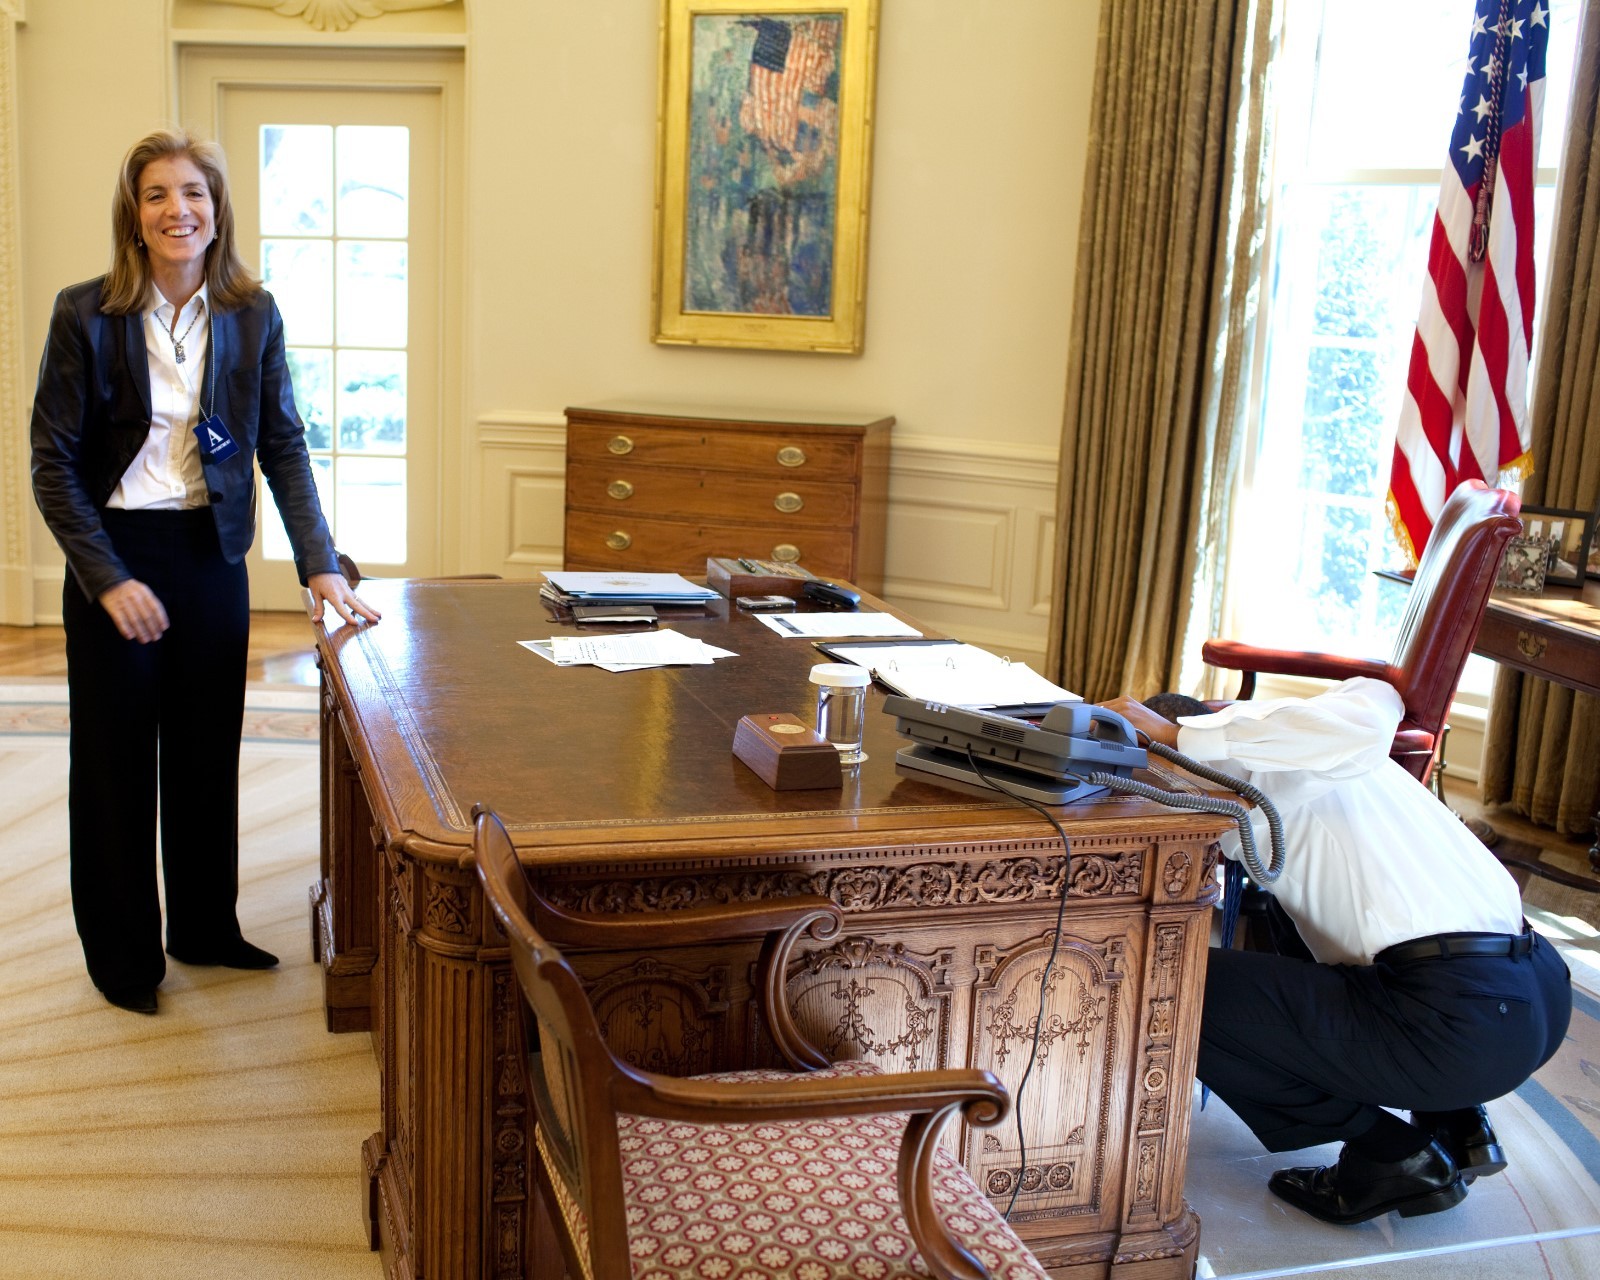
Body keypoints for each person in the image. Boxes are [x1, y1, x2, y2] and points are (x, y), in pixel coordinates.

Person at [30, 128, 380, 1016]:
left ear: (216, 209)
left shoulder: (251, 313)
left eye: (194, 192)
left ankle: (203, 927)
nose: (177, 209)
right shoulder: (86, 314)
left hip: (210, 555)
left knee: (202, 751)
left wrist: (318, 564)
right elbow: (52, 464)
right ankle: (122, 957)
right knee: (114, 763)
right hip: (116, 558)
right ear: (134, 214)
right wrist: (106, 579)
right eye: (156, 194)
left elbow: (281, 443)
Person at [1102, 679, 1571, 1226]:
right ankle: (1459, 1123)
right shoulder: (1320, 758)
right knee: (1283, 917)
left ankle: (1390, 1155)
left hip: (1459, 1024)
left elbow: (1378, 703)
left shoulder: (1300, 748)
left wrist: (1173, 736)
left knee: (1171, 995)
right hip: (1534, 995)